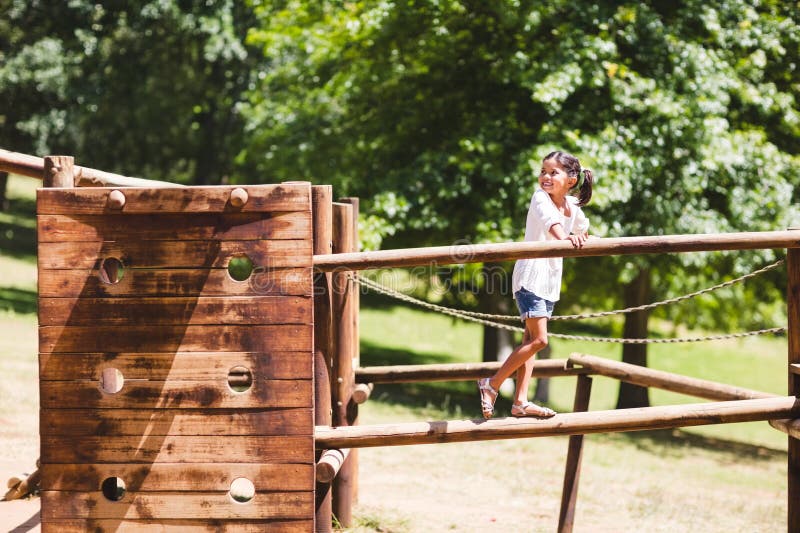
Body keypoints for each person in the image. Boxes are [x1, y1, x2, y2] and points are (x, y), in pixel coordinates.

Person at [478, 150, 594, 418]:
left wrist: (580, 237)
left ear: (571, 180)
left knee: (529, 341)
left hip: (550, 281)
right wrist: (566, 237)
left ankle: (519, 402)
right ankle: (492, 384)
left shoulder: (573, 206)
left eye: (553, 172)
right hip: (530, 276)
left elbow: (581, 229)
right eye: (543, 171)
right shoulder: (540, 198)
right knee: (540, 340)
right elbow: (551, 225)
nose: (546, 177)